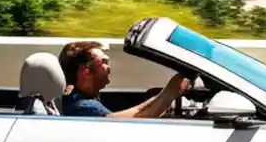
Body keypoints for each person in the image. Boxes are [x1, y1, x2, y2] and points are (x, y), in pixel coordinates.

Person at [57, 40, 189, 118]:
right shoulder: (83, 107)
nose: (108, 66)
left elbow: (137, 112)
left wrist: (161, 98)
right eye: (103, 62)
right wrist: (169, 93)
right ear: (86, 71)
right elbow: (131, 121)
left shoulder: (75, 98)